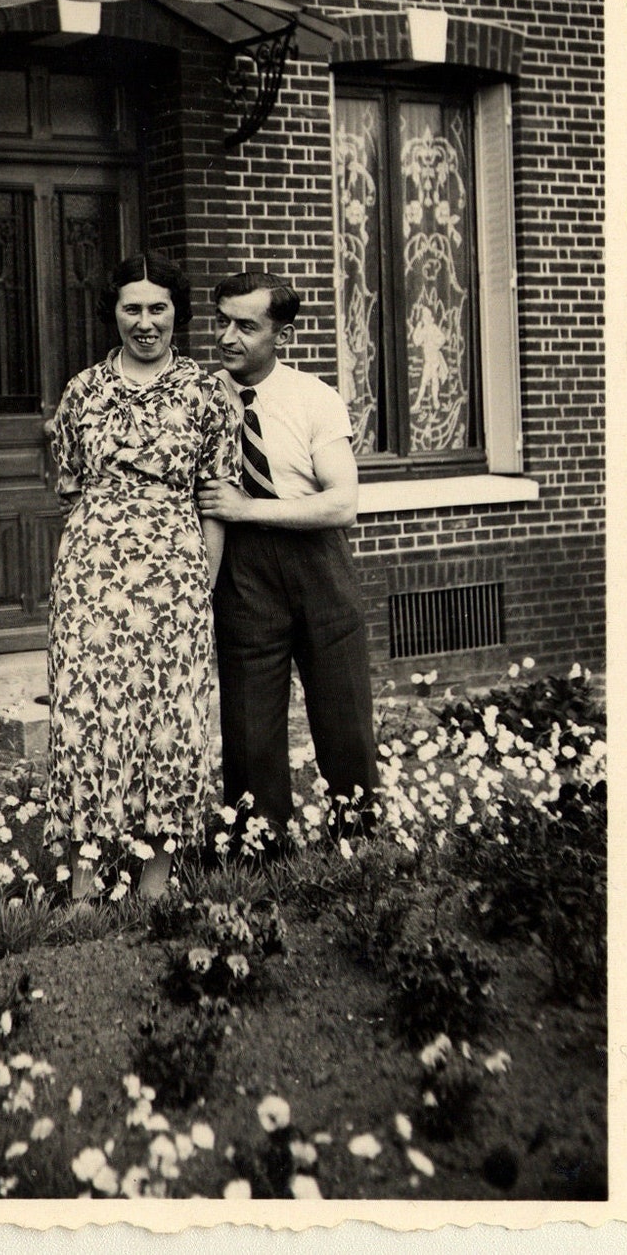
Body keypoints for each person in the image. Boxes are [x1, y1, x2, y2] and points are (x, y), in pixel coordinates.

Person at [45, 253, 240, 900]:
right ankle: (83, 884)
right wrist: (93, 558)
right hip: (92, 580)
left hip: (174, 581)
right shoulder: (82, 392)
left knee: (169, 721)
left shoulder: (206, 394)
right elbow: (69, 490)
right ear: (115, 313)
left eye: (159, 308)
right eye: (133, 308)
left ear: (178, 313)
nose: (146, 322)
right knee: (86, 719)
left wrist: (201, 587)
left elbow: (216, 501)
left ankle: (156, 882)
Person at [197, 271, 378, 838]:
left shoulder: (313, 398)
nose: (227, 336)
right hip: (242, 567)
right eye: (221, 321)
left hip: (317, 562)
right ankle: (259, 841)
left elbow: (343, 504)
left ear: (284, 335)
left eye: (246, 326)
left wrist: (246, 507)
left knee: (343, 711)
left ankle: (357, 835)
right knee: (249, 716)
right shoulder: (198, 398)